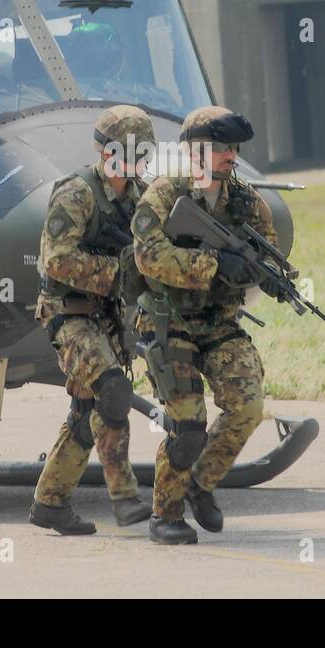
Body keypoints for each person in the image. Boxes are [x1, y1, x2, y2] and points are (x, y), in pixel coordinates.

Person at [132, 105, 282, 545]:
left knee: (248, 405)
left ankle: (200, 484)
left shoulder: (245, 200)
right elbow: (148, 256)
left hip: (218, 323)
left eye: (234, 149)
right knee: (188, 423)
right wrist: (214, 265)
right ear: (196, 152)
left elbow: (267, 251)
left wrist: (262, 274)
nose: (231, 157)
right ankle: (166, 512)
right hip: (168, 320)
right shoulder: (163, 194)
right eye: (222, 149)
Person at [28, 105, 155, 535]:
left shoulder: (140, 197)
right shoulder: (77, 193)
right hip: (68, 314)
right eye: (129, 152)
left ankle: (50, 504)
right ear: (106, 152)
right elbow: (56, 260)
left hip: (106, 319)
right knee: (114, 393)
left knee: (86, 412)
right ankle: (125, 498)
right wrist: (119, 274)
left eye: (143, 153)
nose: (136, 162)